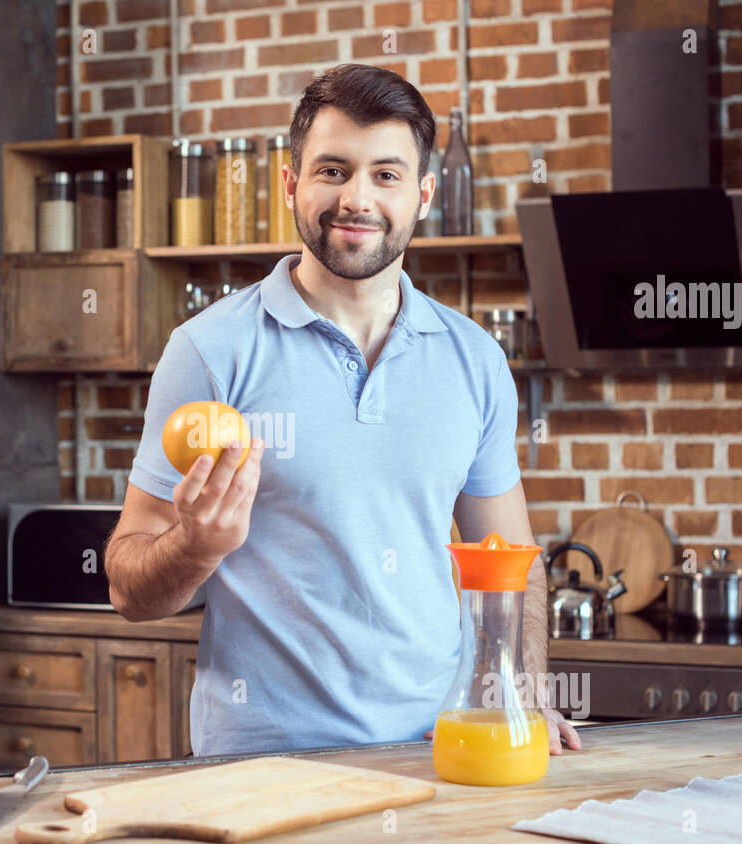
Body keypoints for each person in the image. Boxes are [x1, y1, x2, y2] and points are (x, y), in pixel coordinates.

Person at [104, 63, 582, 759]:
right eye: (333, 169)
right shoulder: (209, 352)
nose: (356, 197)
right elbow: (128, 585)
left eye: (385, 174)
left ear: (422, 195)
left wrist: (524, 688)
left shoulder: (474, 360)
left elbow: (510, 561)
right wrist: (196, 546)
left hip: (434, 751)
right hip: (262, 764)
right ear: (293, 184)